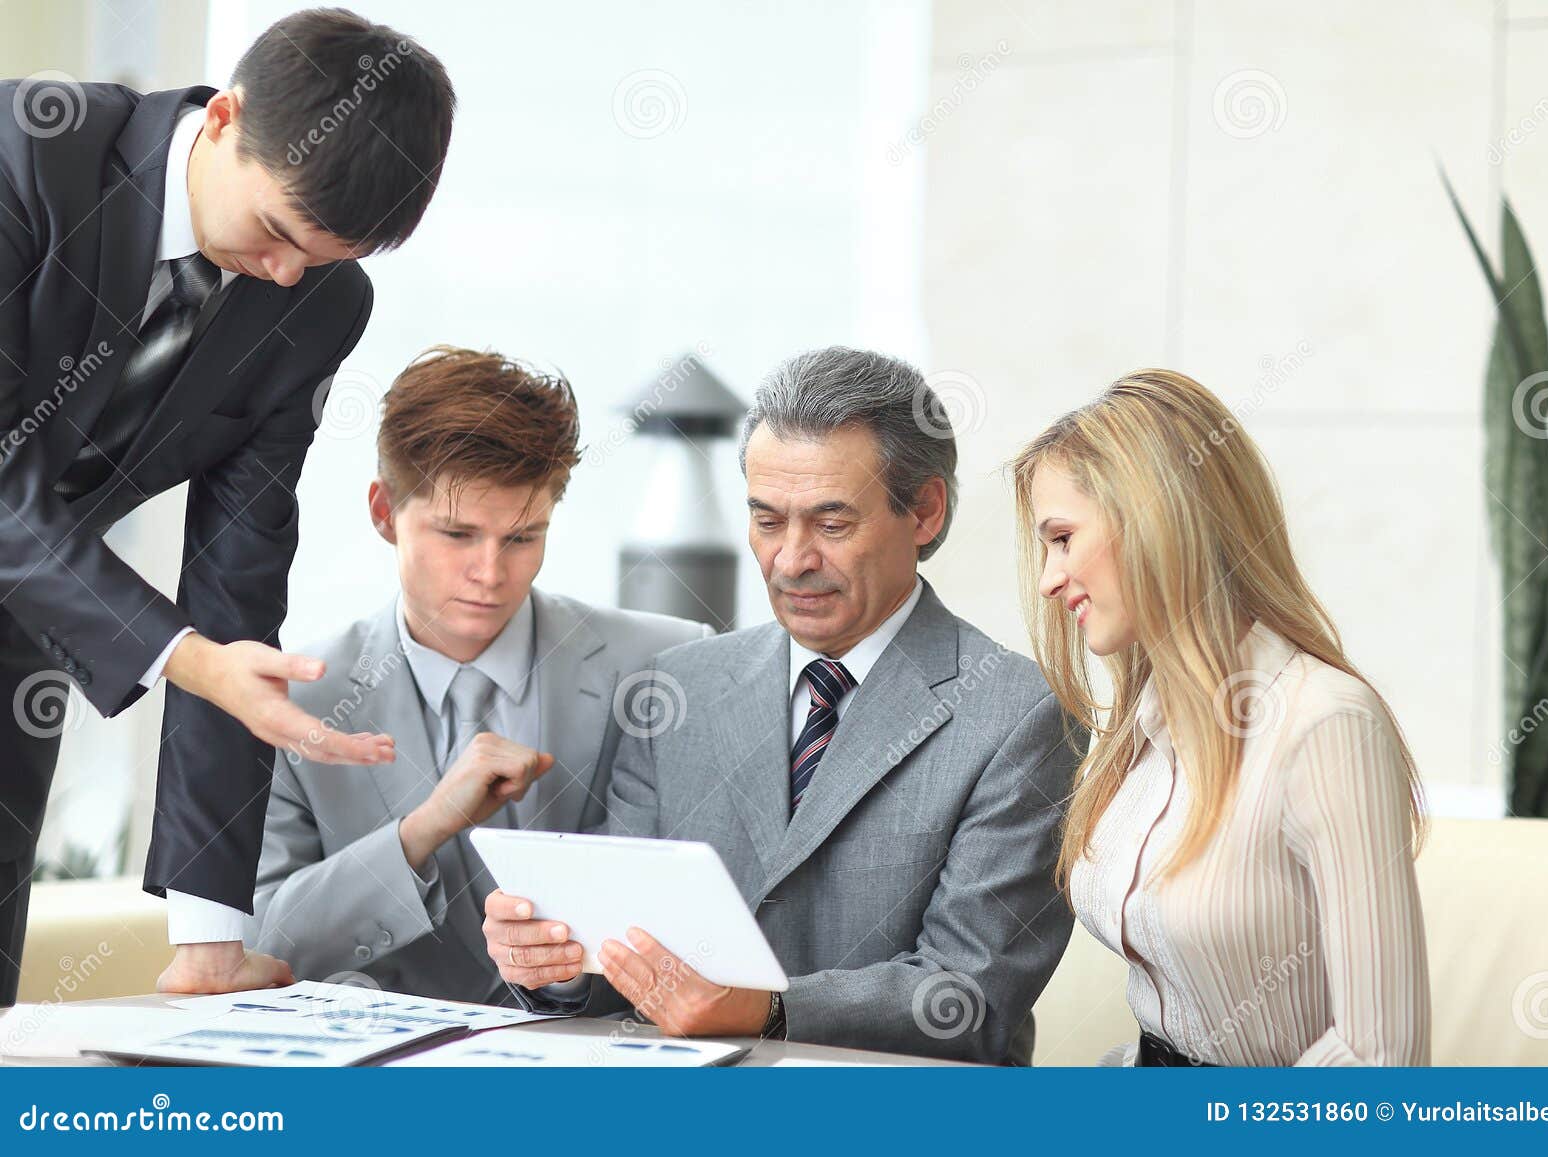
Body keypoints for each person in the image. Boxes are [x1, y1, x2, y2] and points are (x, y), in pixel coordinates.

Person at [0, 8, 456, 1003]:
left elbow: (235, 583)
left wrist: (210, 933)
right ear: (224, 118)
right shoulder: (23, 155)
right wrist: (191, 658)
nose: (287, 274)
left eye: (324, 256)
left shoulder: (320, 305)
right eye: (280, 232)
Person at [482, 346, 1075, 1065]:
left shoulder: (1020, 715)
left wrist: (769, 1010)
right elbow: (621, 950)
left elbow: (970, 995)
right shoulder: (677, 689)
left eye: (831, 524)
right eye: (767, 521)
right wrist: (558, 962)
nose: (791, 560)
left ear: (923, 512)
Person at [249, 347, 709, 1001]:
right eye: (457, 534)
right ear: (383, 512)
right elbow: (264, 946)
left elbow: (703, 916)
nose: (491, 574)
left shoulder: (666, 665)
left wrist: (564, 968)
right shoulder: (295, 700)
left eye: (522, 538)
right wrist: (422, 830)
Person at [1011, 368, 1430, 1066]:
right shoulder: (1137, 732)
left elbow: (1381, 1059)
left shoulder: (1325, 724)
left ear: (1152, 520)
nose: (1050, 579)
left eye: (1062, 538)